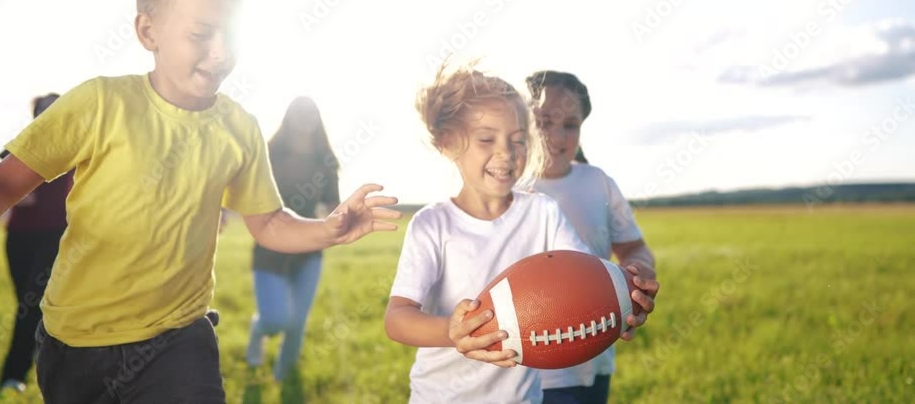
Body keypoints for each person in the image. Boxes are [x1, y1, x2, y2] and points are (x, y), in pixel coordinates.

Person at [0, 0, 401, 404]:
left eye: (230, 35)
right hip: (76, 344)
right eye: (200, 34)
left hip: (180, 339)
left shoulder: (239, 128)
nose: (219, 52)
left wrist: (329, 228)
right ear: (149, 32)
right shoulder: (99, 103)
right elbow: (4, 183)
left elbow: (268, 222)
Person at [384, 65, 659, 403]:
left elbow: (586, 279)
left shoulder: (543, 212)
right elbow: (397, 319)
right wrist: (453, 332)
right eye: (487, 139)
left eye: (518, 140)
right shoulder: (432, 224)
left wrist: (625, 296)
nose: (506, 153)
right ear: (449, 144)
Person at [526, 70, 658, 404]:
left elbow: (634, 248)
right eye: (543, 122)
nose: (556, 136)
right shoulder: (505, 191)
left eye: (570, 124)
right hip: (528, 370)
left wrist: (637, 275)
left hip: (593, 357)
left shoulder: (598, 183)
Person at [246, 96, 340, 381]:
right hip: (270, 247)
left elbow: (333, 206)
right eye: (299, 114)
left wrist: (343, 220)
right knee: (276, 320)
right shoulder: (271, 153)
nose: (304, 120)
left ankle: (283, 379)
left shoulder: (325, 160)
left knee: (297, 323)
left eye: (309, 114)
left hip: (308, 251)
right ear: (288, 118)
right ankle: (258, 330)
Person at [0, 93, 72, 393]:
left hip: (55, 235)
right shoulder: (22, 145)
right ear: (36, 114)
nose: (50, 113)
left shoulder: (75, 146)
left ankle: (14, 375)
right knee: (27, 305)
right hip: (19, 237)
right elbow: (2, 185)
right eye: (44, 109)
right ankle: (36, 361)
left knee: (34, 304)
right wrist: (16, 191)